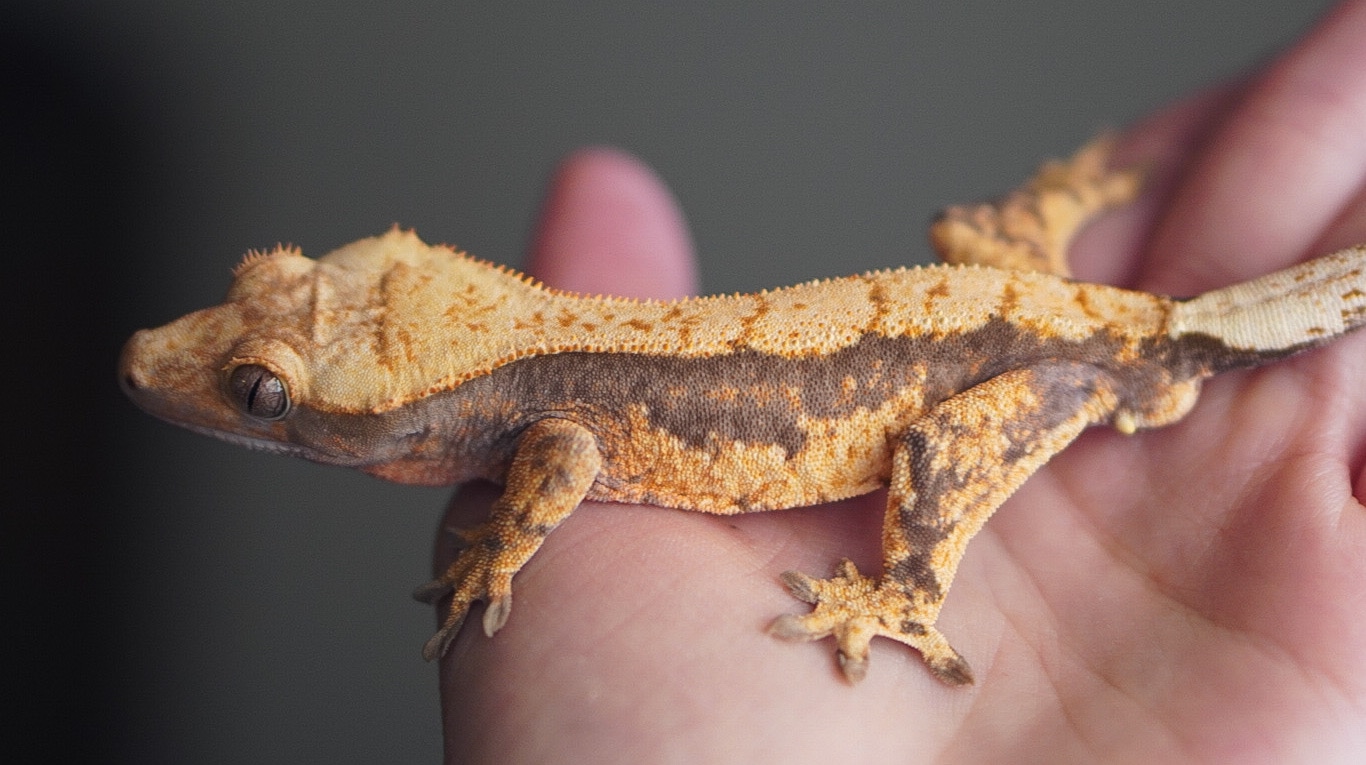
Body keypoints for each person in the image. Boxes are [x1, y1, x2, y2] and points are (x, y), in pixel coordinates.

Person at [433, 1, 1366, 760]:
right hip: (1032, 323)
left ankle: (910, 602)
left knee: (942, 441)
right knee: (971, 264)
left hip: (1074, 354)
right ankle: (1046, 230)